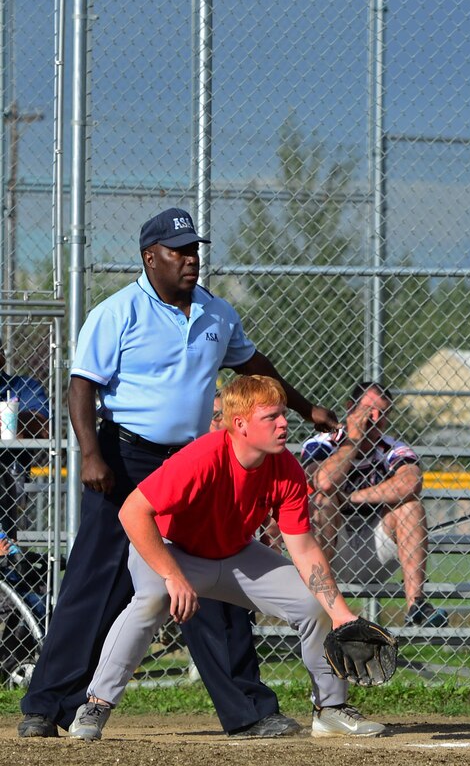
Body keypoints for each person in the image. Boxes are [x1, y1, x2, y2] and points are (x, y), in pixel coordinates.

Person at [18, 208, 338, 739]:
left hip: (194, 463)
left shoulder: (216, 313)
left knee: (212, 576)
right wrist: (92, 455)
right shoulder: (117, 312)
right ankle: (48, 705)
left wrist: (309, 412)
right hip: (125, 458)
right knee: (96, 581)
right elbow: (82, 386)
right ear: (150, 257)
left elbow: (255, 367)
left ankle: (249, 711)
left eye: (194, 250)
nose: (190, 260)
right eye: (178, 251)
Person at [66, 375, 384, 741]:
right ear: (240, 425)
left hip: (234, 554)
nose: (284, 423)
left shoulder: (286, 469)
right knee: (152, 598)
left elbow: (304, 547)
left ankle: (330, 708)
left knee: (315, 604)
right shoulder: (202, 457)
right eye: (272, 418)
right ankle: (96, 705)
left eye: (283, 415)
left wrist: (340, 612)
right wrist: (171, 576)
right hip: (172, 549)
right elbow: (132, 512)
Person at [302, 381, 446, 627]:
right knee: (323, 501)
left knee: (410, 505)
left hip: (376, 547)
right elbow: (323, 481)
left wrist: (351, 497)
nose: (375, 418)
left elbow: (411, 483)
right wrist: (354, 441)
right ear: (350, 408)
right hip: (335, 545)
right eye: (368, 410)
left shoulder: (392, 447)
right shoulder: (323, 442)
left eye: (382, 413)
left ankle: (417, 605)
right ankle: (317, 604)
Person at [0, 340, 50, 534]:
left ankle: (9, 557)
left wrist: (11, 417)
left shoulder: (22, 386)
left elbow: (44, 428)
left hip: (9, 473)